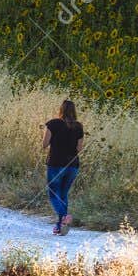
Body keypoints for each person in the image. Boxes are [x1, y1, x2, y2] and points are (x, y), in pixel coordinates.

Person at [42, 100, 85, 235]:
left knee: (53, 193)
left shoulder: (53, 124)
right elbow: (79, 148)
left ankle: (64, 217)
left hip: (55, 163)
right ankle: (60, 227)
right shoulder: (78, 127)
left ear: (61, 110)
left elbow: (44, 144)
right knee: (63, 194)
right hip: (73, 165)